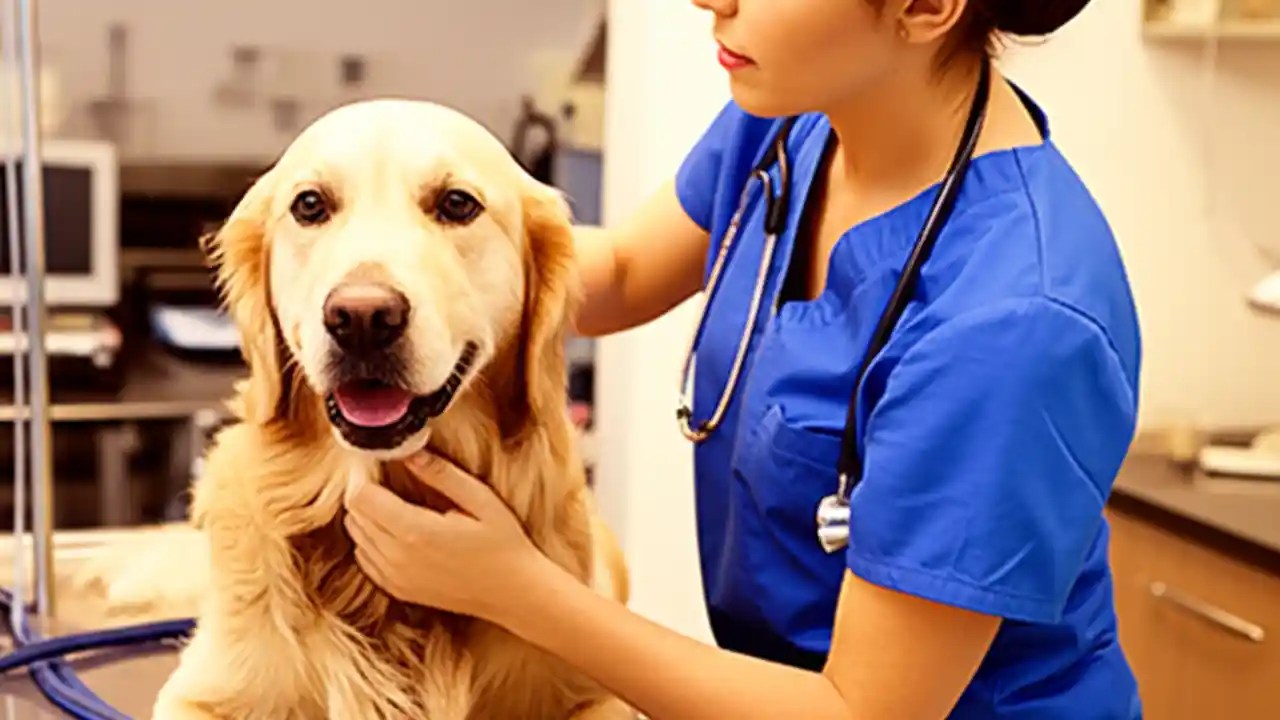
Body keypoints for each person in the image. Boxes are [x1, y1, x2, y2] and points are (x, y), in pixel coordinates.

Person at [343, 0, 1144, 717]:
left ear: (927, 6)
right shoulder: (802, 122)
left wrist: (514, 590)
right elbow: (619, 272)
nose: (710, 1)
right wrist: (399, 292)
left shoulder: (1014, 322)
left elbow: (861, 712)